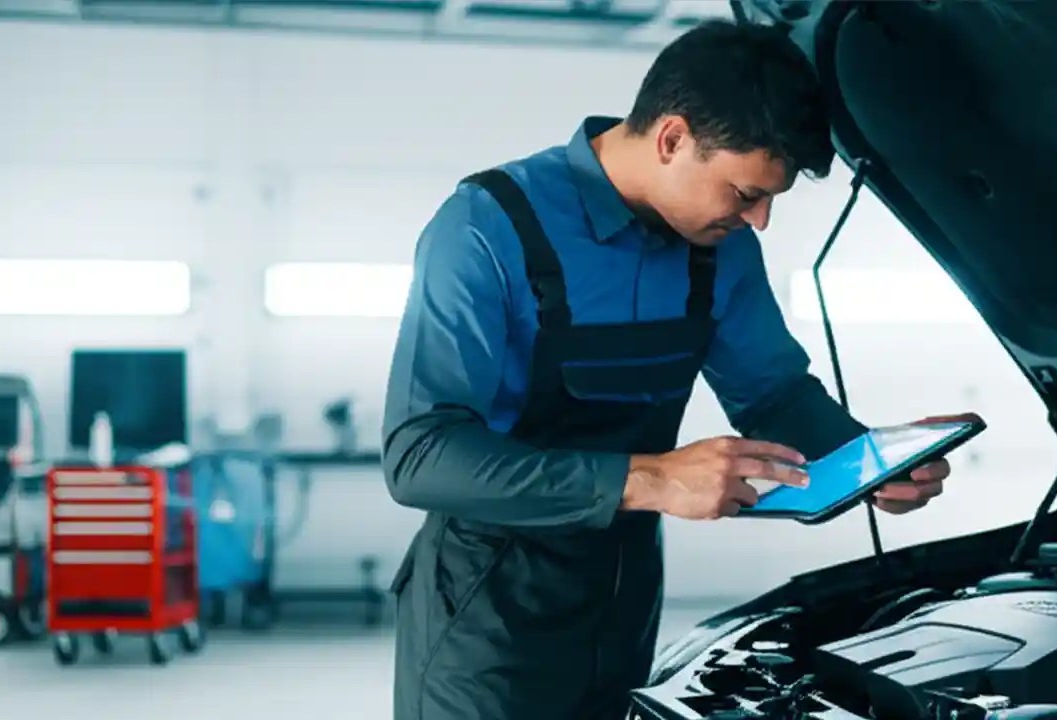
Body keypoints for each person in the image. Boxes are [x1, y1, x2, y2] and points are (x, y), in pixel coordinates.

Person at [381, 18, 975, 720]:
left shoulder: (718, 246)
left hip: (624, 606)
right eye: (746, 193)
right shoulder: (486, 227)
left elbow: (774, 394)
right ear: (673, 139)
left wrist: (871, 461)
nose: (759, 222)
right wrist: (651, 477)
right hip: (484, 623)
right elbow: (418, 456)